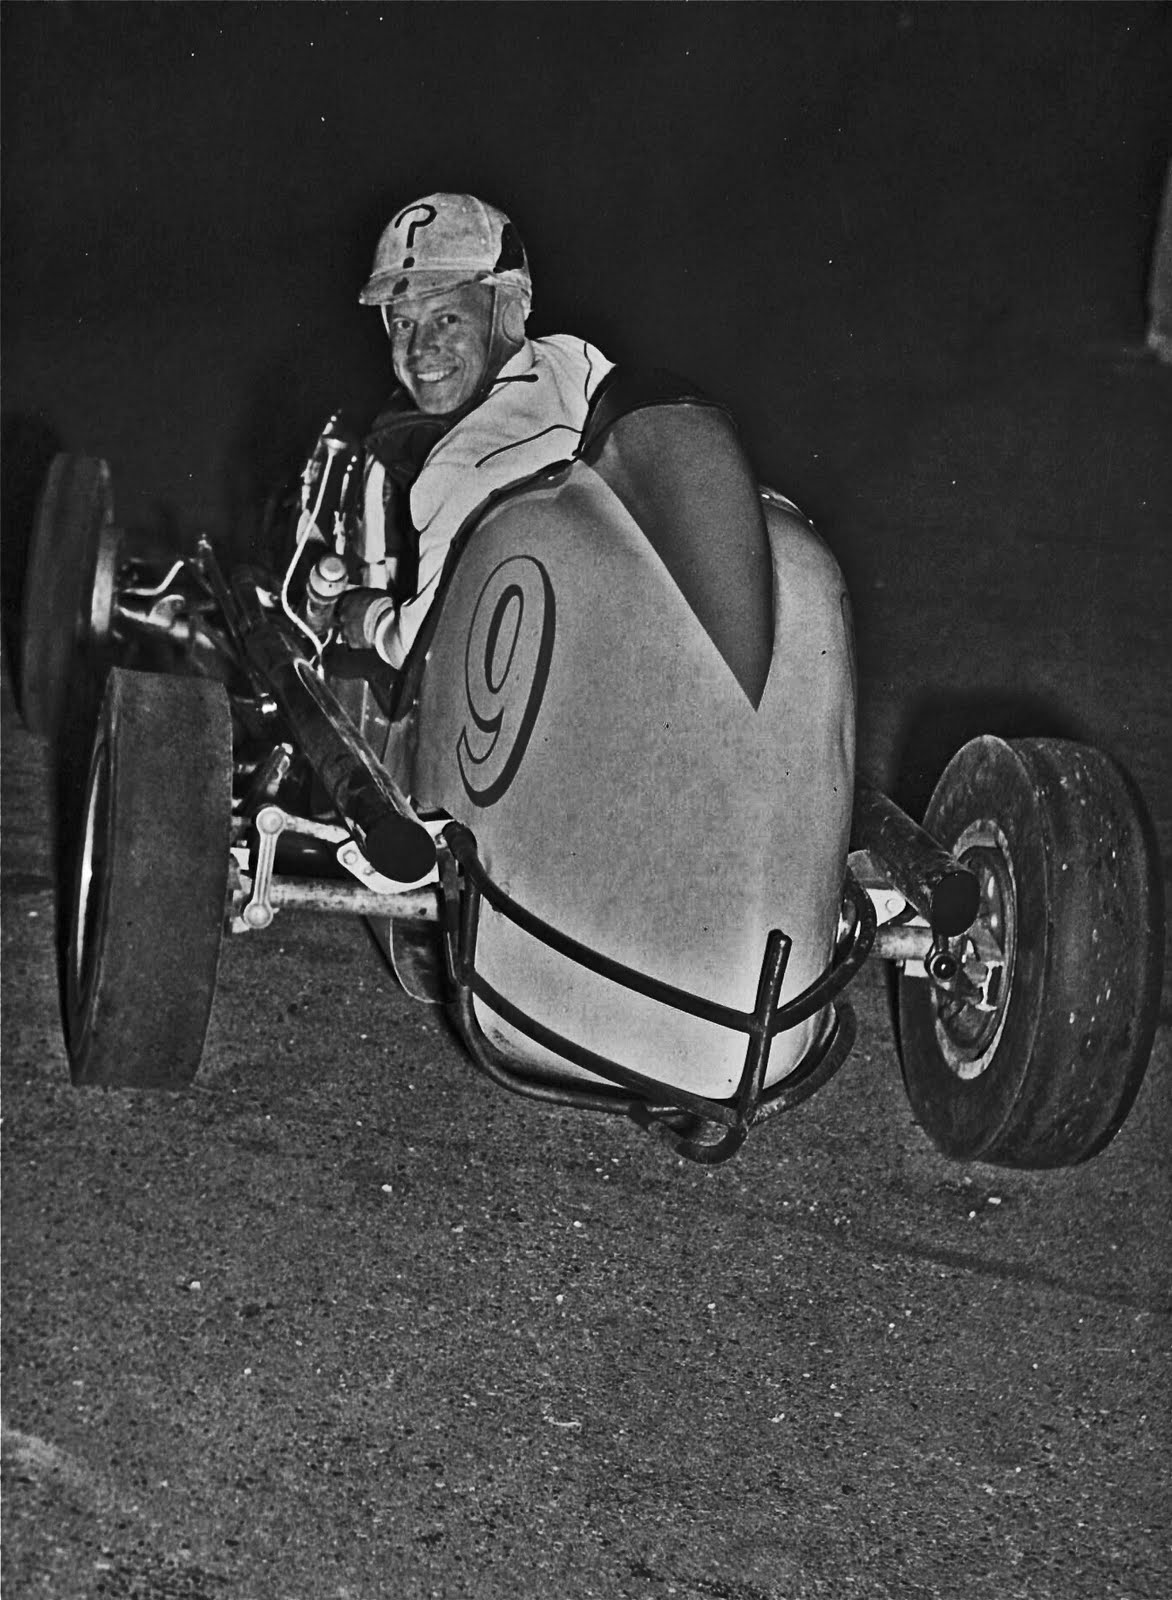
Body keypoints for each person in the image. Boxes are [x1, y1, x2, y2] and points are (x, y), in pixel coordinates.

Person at [343, 192, 613, 669]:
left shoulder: (461, 466)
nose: (420, 348)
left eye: (447, 318)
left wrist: (370, 619)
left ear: (508, 310)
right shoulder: (576, 359)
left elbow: (421, 653)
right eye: (403, 324)